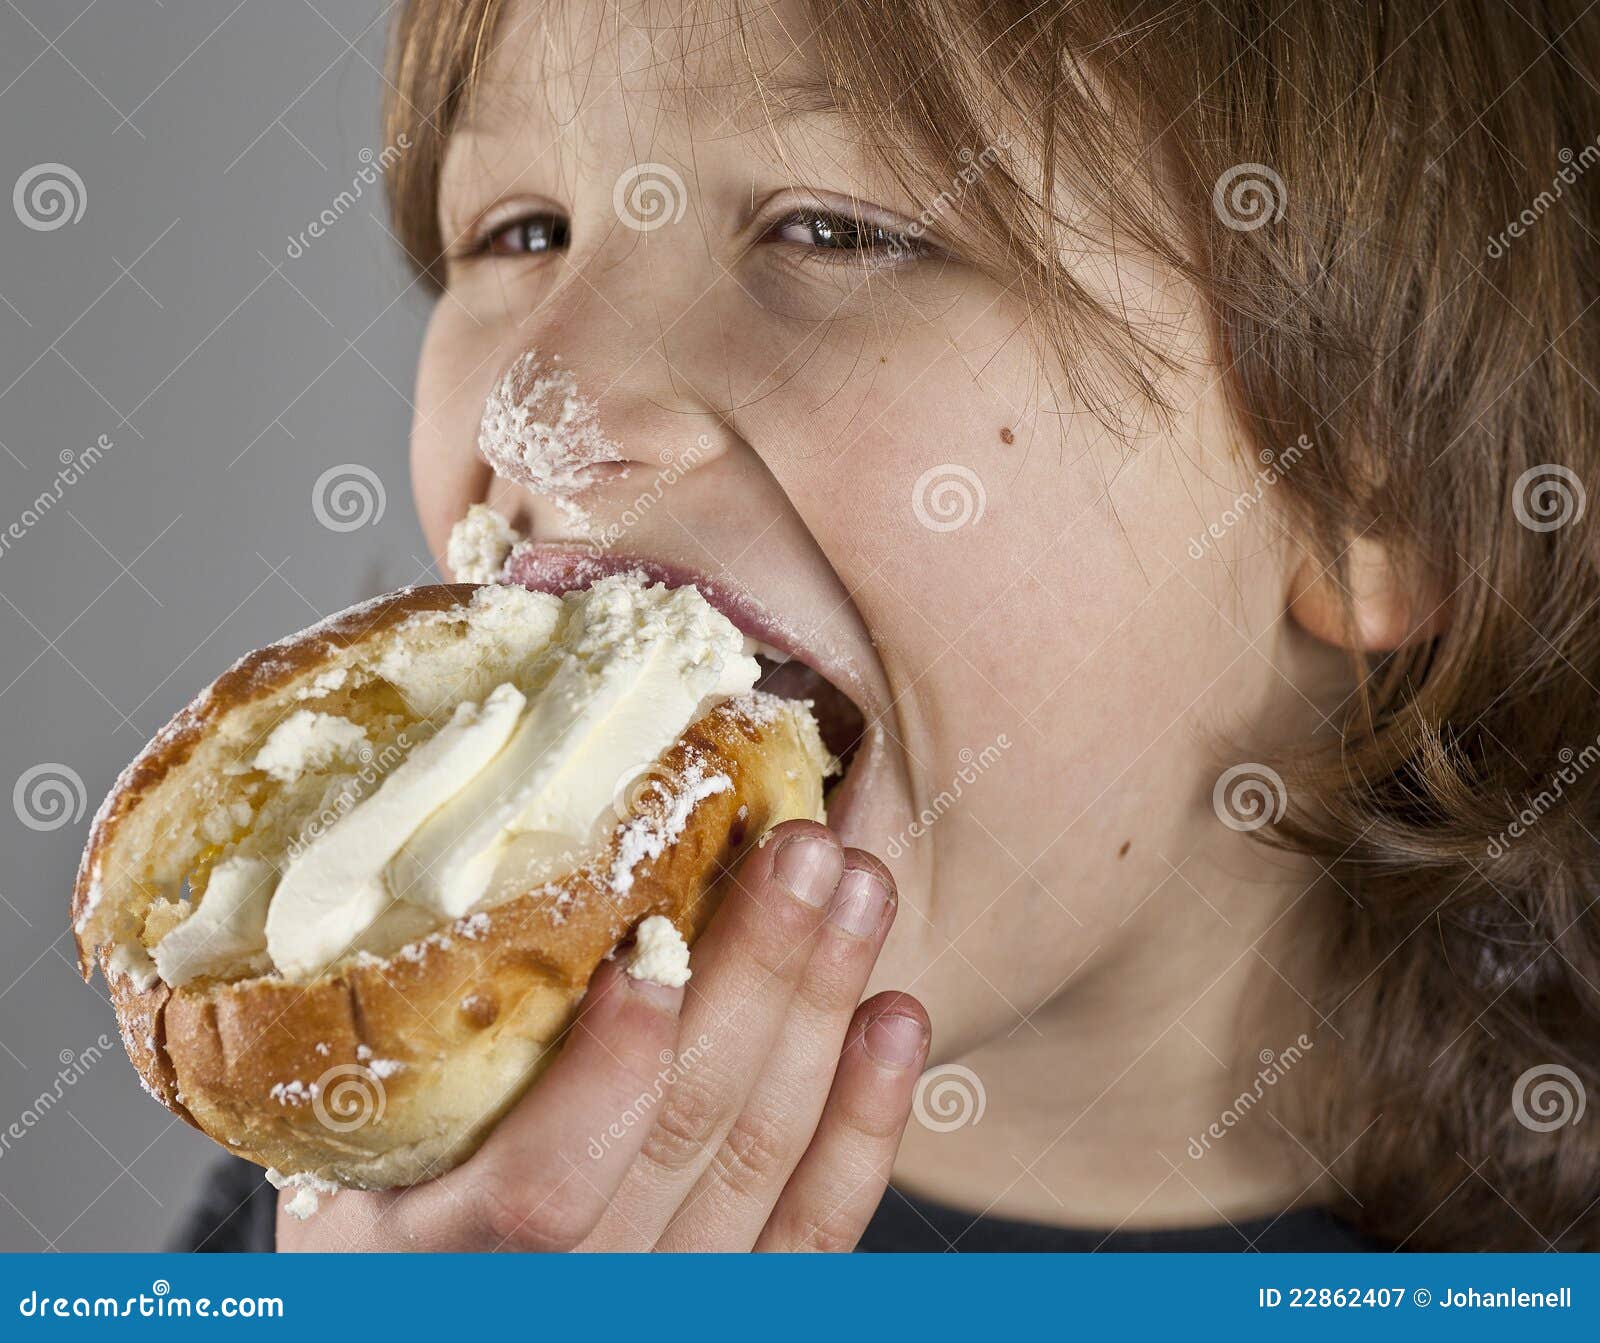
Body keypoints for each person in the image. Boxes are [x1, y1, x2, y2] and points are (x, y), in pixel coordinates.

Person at [177, 0, 1600, 1251]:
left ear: (1376, 492)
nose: (542, 409)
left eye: (830, 228)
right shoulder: (381, 1229)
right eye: (521, 231)